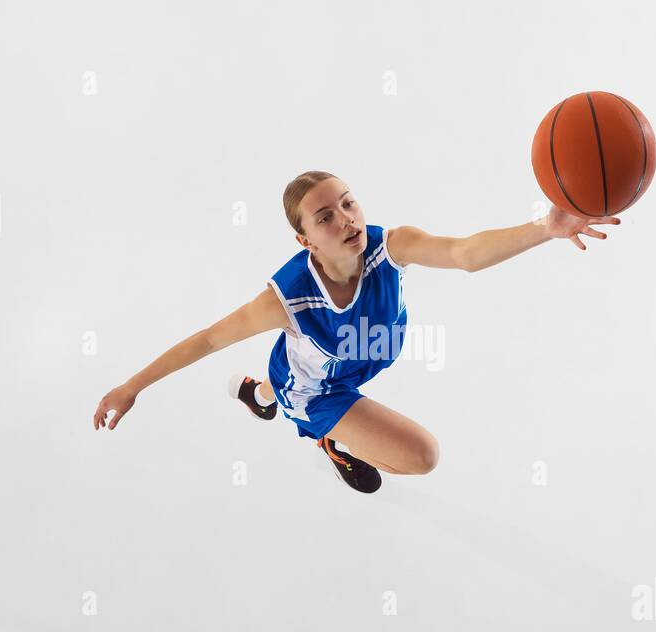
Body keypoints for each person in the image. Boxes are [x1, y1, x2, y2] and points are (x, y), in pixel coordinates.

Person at [93, 169, 619, 493]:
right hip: (317, 390)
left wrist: (544, 229)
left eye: (348, 202)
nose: (345, 219)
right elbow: (207, 339)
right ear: (304, 240)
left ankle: (258, 394)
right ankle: (329, 440)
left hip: (339, 359)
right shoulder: (286, 300)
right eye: (325, 217)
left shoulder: (390, 245)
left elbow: (464, 254)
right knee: (422, 457)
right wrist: (131, 386)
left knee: (282, 379)